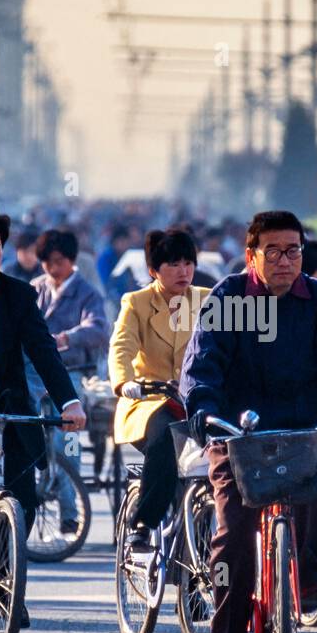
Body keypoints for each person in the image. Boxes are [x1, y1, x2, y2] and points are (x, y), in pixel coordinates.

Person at [182, 210, 317, 633]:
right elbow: (202, 361)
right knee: (232, 531)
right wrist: (204, 407)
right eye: (273, 252)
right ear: (252, 256)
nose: (286, 261)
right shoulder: (229, 298)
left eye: (294, 250)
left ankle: (308, 571)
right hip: (237, 434)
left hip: (303, 431)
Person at [0, 206, 86, 628]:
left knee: (21, 496)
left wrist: (68, 403)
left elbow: (44, 352)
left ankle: (3, 580)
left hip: (7, 401)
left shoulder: (19, 296)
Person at [109, 229, 209, 549]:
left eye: (188, 263)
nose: (183, 271)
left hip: (199, 398)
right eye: (174, 264)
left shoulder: (209, 299)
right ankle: (145, 520)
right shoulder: (136, 303)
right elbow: (121, 346)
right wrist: (125, 382)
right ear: (154, 270)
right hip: (150, 400)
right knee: (166, 437)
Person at [32, 228, 109, 534]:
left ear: (72, 261)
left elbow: (99, 328)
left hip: (72, 375)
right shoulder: (34, 289)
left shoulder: (87, 293)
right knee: (31, 440)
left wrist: (67, 338)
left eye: (58, 261)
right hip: (35, 376)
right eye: (47, 262)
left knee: (68, 445)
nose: (52, 268)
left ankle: (69, 512)